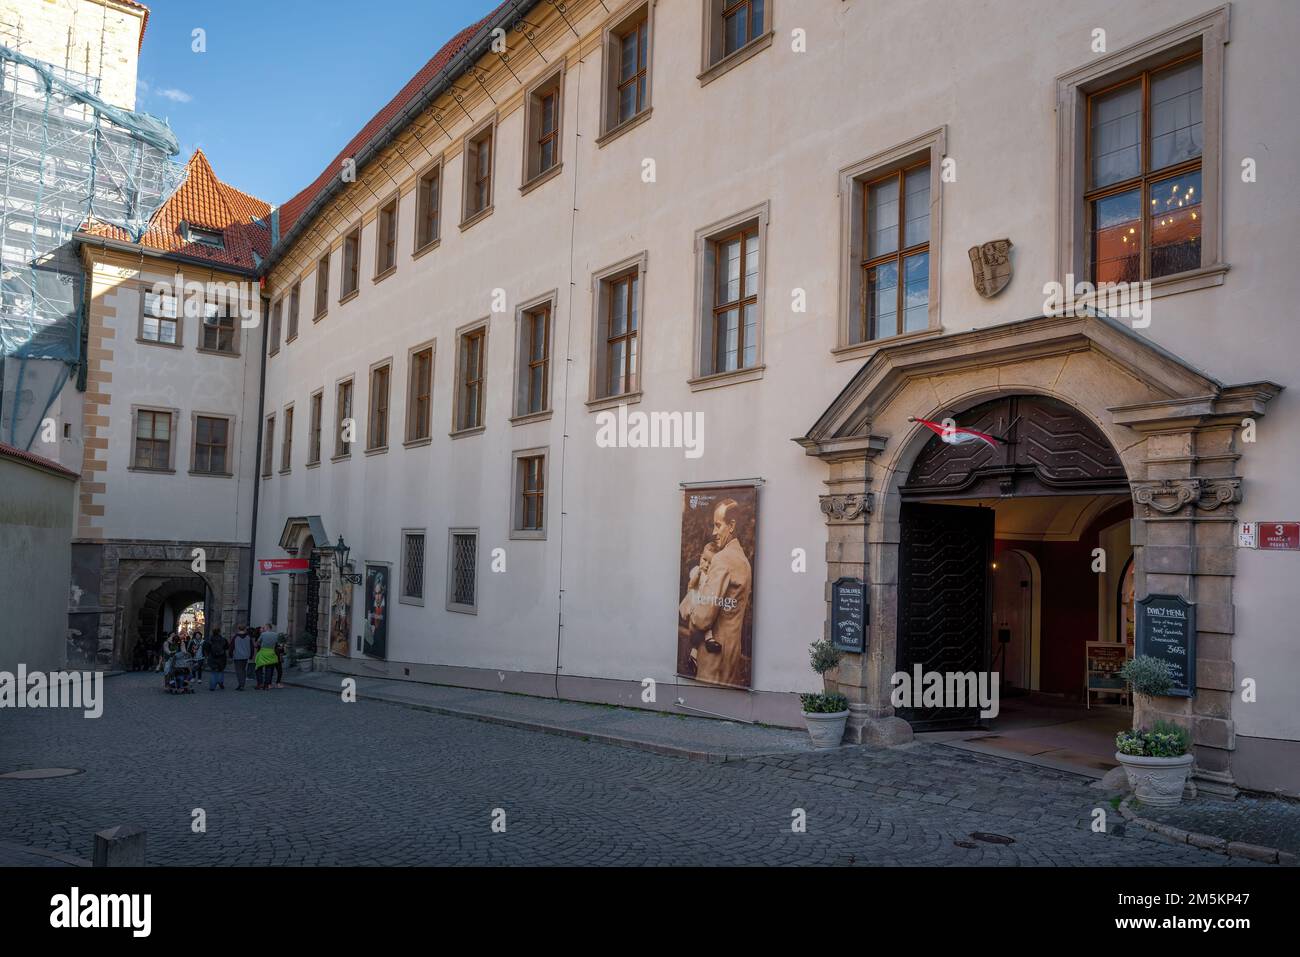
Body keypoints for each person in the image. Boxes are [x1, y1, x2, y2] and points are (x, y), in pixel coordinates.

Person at [686, 499, 753, 687]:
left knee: (706, 701)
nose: (714, 532)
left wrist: (692, 612)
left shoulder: (722, 559)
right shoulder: (744, 562)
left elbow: (702, 618)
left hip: (712, 658)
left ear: (731, 526)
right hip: (732, 655)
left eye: (718, 525)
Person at [254, 624, 279, 691]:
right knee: (269, 669)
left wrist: (257, 644)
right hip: (271, 652)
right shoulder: (276, 634)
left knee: (258, 668)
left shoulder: (263, 634)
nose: (263, 629)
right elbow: (277, 643)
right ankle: (266, 685)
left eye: (264, 627)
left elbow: (257, 643)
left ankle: (260, 683)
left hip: (263, 652)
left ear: (267, 628)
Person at [230, 625, 253, 690]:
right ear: (244, 629)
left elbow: (231, 647)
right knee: (243, 670)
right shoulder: (248, 637)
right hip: (246, 656)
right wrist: (251, 655)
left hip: (237, 656)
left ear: (238, 629)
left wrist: (230, 655)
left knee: (239, 671)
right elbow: (251, 647)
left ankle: (241, 684)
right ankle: (242, 684)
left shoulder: (235, 637)